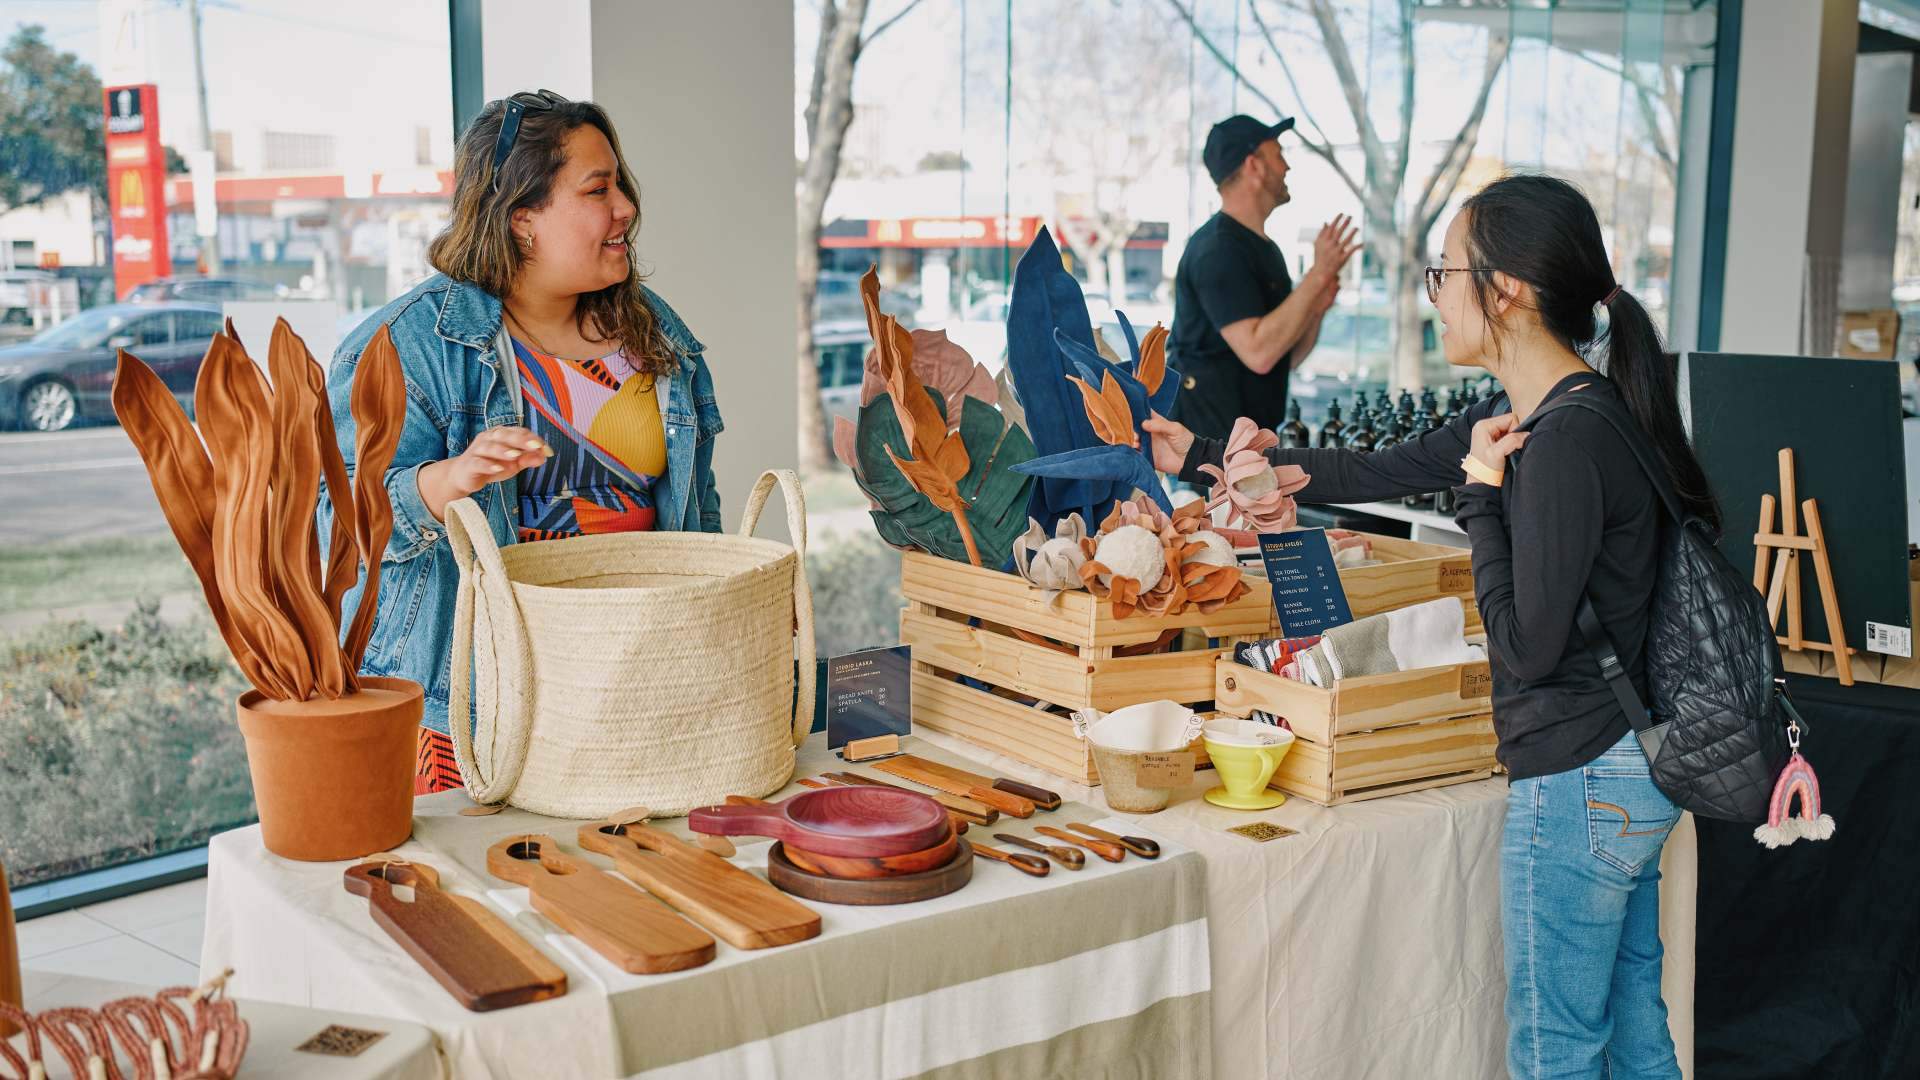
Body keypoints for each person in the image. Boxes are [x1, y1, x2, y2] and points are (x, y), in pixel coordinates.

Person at [1147, 174, 1714, 1079]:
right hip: (1622, 770)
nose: (1436, 295)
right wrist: (1209, 455)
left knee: (1556, 1054)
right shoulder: (1528, 414)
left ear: (1509, 291)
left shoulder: (1563, 441)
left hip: (1578, 783)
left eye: (1444, 272)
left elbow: (1527, 648)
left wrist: (1479, 503)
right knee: (1637, 1041)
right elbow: (1371, 469)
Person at [324, 90, 724, 795]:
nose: (626, 206)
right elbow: (333, 521)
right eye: (598, 189)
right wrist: (444, 484)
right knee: (481, 894)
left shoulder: (655, 332)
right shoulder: (410, 346)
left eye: (620, 184)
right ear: (521, 218)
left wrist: (726, 609)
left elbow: (697, 505)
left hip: (635, 680)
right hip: (473, 703)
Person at [1168, 114, 1360, 441]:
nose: (1286, 167)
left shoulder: (1265, 249)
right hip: (1207, 457)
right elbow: (1259, 353)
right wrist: (1318, 273)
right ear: (1254, 165)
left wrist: (1316, 309)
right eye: (1279, 154)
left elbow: (1287, 357)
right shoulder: (1218, 250)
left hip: (1250, 449)